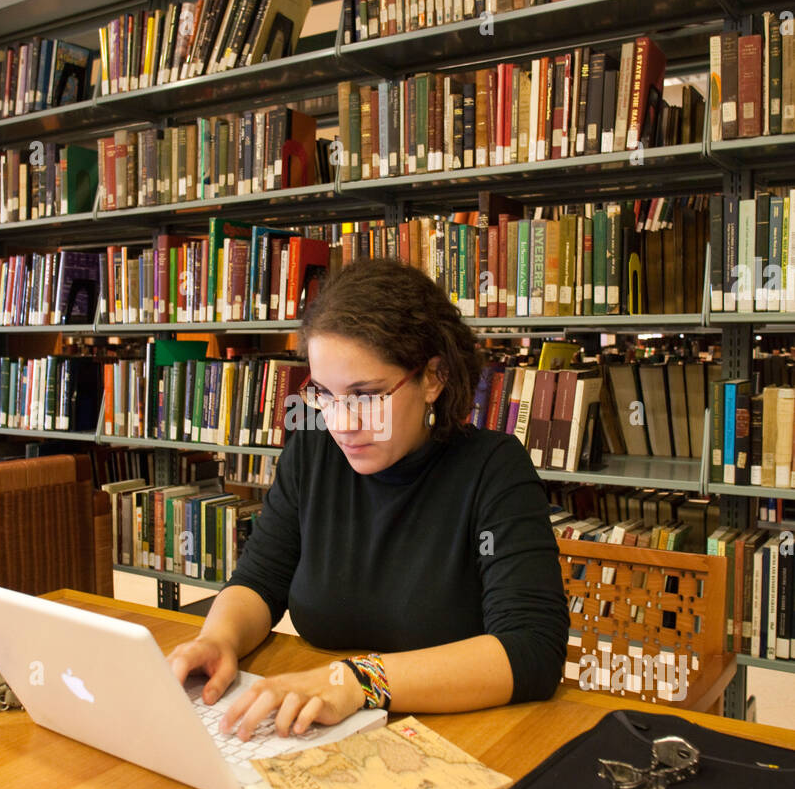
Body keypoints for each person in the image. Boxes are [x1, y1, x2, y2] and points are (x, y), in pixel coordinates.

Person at [168, 256, 570, 739]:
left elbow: (531, 651)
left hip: (459, 736)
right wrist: (219, 638)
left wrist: (359, 681)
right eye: (326, 396)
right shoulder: (312, 454)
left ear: (433, 378)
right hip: (323, 729)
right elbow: (260, 581)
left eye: (365, 395)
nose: (342, 423)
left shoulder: (493, 470)